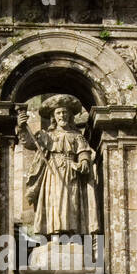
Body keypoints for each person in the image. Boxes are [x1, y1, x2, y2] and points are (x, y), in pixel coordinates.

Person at [24, 96, 99, 239]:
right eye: (58, 113)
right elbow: (31, 143)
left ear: (70, 116)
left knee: (72, 202)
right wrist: (22, 126)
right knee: (54, 201)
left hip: (72, 171)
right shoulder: (48, 135)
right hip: (53, 173)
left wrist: (83, 162)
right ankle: (55, 235)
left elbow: (84, 151)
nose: (62, 115)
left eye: (65, 112)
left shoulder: (77, 136)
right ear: (54, 117)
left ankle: (73, 236)